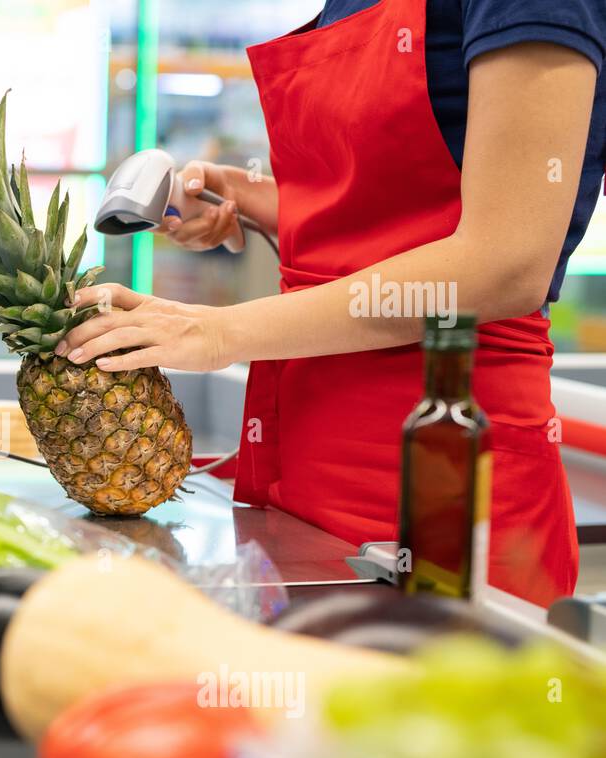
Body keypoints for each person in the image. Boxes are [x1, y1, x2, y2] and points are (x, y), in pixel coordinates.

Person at [58, 0, 604, 607]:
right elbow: (395, 229)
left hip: (446, 478)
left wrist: (216, 331)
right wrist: (252, 197)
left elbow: (506, 263)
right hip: (305, 475)